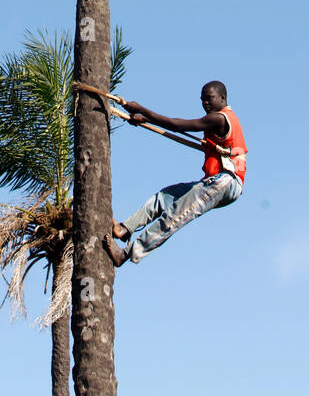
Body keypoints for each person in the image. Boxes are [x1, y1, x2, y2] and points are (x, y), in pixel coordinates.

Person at [103, 80, 246, 266]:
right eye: (202, 100)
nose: (205, 103)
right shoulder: (216, 121)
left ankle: (126, 254)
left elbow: (177, 125)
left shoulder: (220, 118)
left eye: (209, 99)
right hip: (214, 181)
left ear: (222, 98)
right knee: (164, 198)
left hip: (226, 181)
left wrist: (144, 112)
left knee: (176, 215)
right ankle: (125, 228)